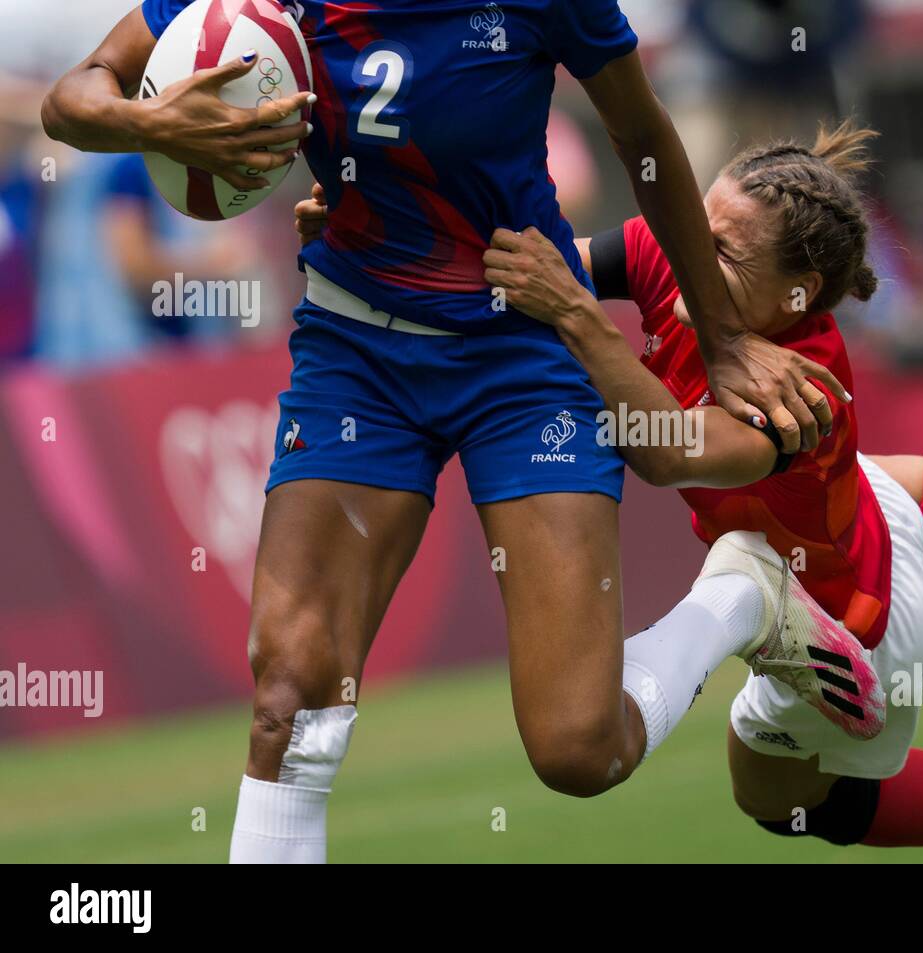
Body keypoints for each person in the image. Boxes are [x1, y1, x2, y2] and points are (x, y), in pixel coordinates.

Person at [42, 0, 859, 864]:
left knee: (578, 750)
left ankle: (739, 598)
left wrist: (725, 337)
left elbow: (642, 133)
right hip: (357, 350)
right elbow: (73, 96)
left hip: (520, 347)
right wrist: (150, 120)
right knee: (290, 696)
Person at [390, 117, 923, 848]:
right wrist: (379, 241)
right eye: (699, 223)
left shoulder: (799, 387)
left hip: (860, 634)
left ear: (795, 297)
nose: (694, 253)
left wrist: (580, 319)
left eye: (726, 251)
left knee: (779, 798)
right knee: (878, 487)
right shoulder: (678, 258)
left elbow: (662, 448)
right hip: (860, 529)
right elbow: (524, 273)